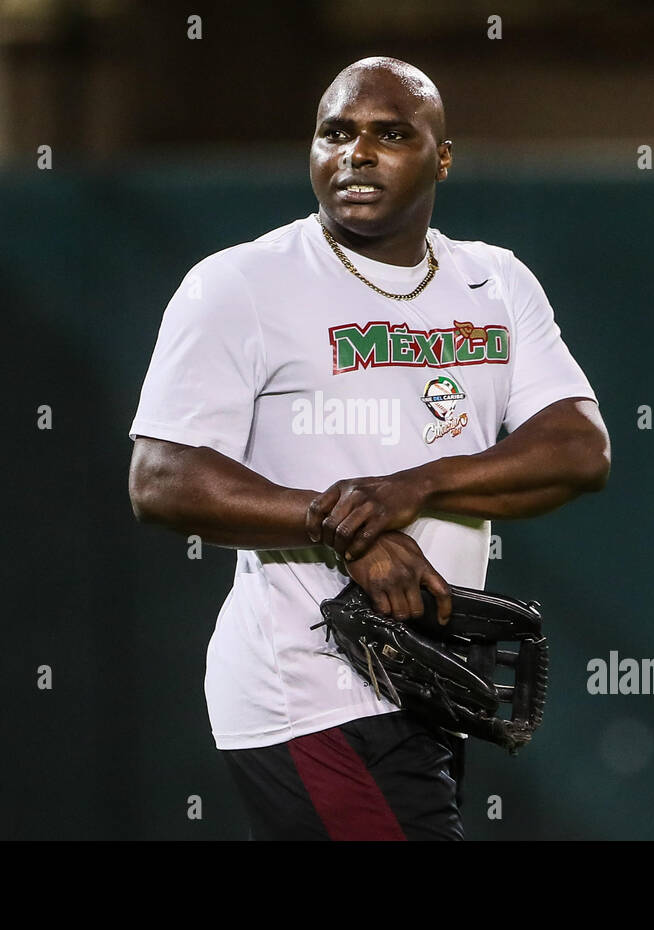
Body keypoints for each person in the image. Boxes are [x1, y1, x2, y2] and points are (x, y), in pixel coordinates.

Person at [128, 56, 610, 840]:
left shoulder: (495, 281)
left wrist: (412, 487)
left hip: (420, 686)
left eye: (390, 134)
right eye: (336, 133)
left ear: (441, 157)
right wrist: (338, 525)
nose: (356, 153)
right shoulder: (241, 283)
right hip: (309, 685)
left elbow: (576, 450)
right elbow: (160, 478)